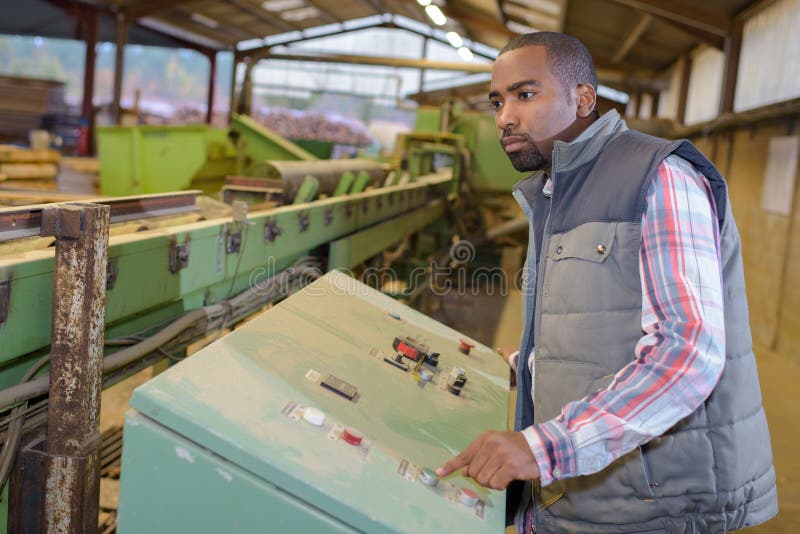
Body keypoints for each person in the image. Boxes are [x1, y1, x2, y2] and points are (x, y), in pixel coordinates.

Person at [436, 32, 778, 533]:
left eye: (525, 95)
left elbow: (687, 352)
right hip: (583, 494)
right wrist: (528, 362)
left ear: (583, 99)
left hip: (653, 503)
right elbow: (597, 315)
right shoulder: (555, 190)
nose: (505, 117)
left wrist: (543, 448)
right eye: (497, 101)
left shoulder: (659, 176)